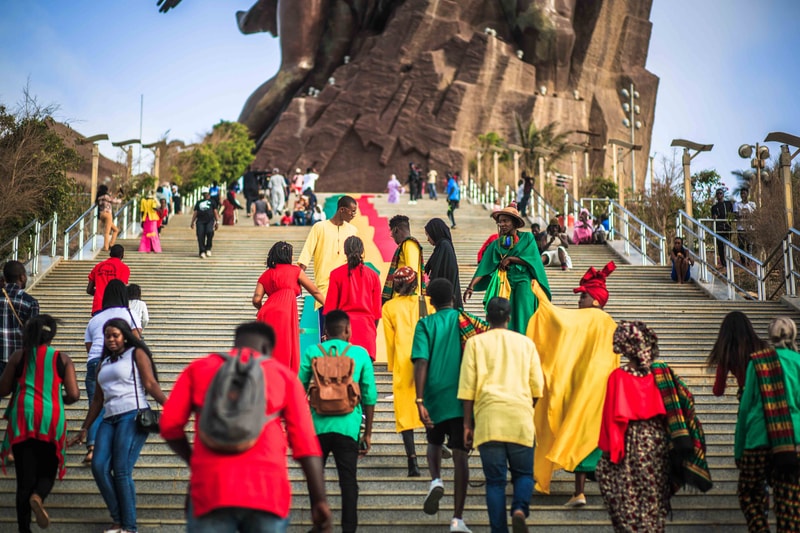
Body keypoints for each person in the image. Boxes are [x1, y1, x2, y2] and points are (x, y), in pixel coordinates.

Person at [160, 321, 332, 533]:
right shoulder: (282, 376)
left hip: (210, 489)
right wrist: (319, 501)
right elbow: (306, 444)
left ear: (236, 343)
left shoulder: (199, 369)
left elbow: (169, 425)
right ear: (268, 349)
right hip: (267, 492)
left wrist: (194, 462)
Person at [596, 321, 711, 532]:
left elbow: (612, 419)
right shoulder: (659, 375)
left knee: (625, 494)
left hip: (629, 443)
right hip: (657, 444)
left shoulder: (618, 377)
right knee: (653, 497)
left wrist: (610, 452)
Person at [525, 264, 618, 504]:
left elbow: (559, 320)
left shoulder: (588, 318)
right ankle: (581, 491)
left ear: (596, 300)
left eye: (584, 296)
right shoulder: (610, 323)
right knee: (586, 435)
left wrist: (541, 299)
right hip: (602, 388)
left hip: (584, 386)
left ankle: (579, 492)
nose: (580, 301)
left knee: (574, 431)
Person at [69, 318, 167, 533]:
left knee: (121, 470)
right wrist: (85, 428)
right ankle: (118, 519)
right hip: (109, 418)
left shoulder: (136, 354)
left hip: (132, 415)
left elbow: (150, 384)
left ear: (124, 336)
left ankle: (128, 527)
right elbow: (97, 400)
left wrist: (171, 406)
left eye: (115, 335)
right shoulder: (103, 363)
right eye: (107, 336)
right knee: (99, 467)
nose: (111, 339)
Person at [458, 297, 544, 533]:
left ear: (487, 318)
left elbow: (467, 387)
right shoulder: (525, 344)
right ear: (509, 317)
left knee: (495, 482)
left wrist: (467, 424)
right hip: (520, 417)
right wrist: (527, 408)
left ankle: (499, 530)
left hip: (488, 419)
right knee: (524, 474)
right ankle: (519, 509)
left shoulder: (476, 344)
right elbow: (538, 387)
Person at [299, 310, 377, 533]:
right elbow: (370, 395)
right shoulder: (360, 354)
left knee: (316, 479)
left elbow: (298, 388)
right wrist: (367, 433)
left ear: (326, 331)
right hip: (348, 428)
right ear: (347, 330)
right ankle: (348, 529)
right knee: (348, 481)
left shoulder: (313, 351)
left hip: (317, 428)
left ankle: (320, 524)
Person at [0, 315, 80, 533]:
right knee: (48, 469)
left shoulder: (19, 356)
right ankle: (38, 496)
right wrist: (54, 398)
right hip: (50, 417)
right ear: (51, 335)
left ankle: (24, 530)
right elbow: (74, 394)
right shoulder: (62, 359)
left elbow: (3, 390)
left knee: (24, 479)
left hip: (22, 417)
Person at [412, 278, 472, 533]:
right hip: (462, 397)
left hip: (435, 394)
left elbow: (421, 362)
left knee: (434, 443)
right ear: (453, 297)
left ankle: (436, 479)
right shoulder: (466, 321)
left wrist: (420, 399)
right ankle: (457, 518)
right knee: (460, 455)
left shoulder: (425, 324)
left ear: (431, 300)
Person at [735, 316, 800, 532]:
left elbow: (745, 408)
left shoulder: (757, 362)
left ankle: (760, 528)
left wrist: (739, 449)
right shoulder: (798, 362)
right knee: (789, 501)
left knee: (749, 492)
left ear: (770, 336)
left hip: (758, 440)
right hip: (794, 441)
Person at [464, 204, 551, 334]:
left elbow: (534, 260)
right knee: (505, 318)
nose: (502, 224)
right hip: (505, 284)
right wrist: (470, 286)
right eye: (500, 222)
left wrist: (511, 259)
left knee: (524, 314)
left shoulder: (527, 238)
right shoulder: (496, 244)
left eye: (505, 221)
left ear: (515, 223)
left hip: (524, 283)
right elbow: (484, 266)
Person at [83, 279, 142, 465]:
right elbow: (137, 339)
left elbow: (89, 346)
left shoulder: (95, 318)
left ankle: (92, 448)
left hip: (94, 362)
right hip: (116, 364)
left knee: (95, 404)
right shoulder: (128, 313)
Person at [382, 267, 429, 477]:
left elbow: (390, 342)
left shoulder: (389, 307)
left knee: (404, 413)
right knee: (428, 407)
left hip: (403, 363)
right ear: (415, 283)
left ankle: (413, 462)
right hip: (425, 362)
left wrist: (393, 365)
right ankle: (435, 446)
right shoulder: (426, 303)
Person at [253, 241, 325, 373]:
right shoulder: (296, 271)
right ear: (287, 256)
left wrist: (261, 309)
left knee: (269, 348)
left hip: (267, 312)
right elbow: (314, 291)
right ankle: (285, 379)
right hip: (285, 313)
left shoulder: (266, 274)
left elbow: (257, 298)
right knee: (285, 347)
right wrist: (328, 305)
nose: (293, 258)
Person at [298, 195, 359, 330]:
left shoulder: (353, 230)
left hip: (346, 291)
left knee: (344, 338)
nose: (354, 215)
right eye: (352, 211)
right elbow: (306, 255)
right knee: (326, 336)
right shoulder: (319, 227)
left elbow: (357, 260)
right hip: (324, 292)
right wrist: (296, 281)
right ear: (342, 209)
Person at [324, 236, 382, 360]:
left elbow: (330, 310)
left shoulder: (336, 274)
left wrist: (327, 334)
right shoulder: (373, 276)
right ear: (362, 251)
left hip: (342, 334)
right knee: (363, 378)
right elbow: (377, 313)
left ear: (345, 252)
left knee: (342, 378)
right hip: (367, 332)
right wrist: (371, 332)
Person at [706, 311, 766, 398]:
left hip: (748, 397)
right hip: (768, 394)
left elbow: (718, 391)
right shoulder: (762, 347)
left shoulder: (727, 354)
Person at [1, 261, 40, 376]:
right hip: (19, 358)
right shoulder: (30, 302)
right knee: (20, 392)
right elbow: (33, 335)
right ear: (22, 277)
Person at [383, 215, 424, 303]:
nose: (392, 236)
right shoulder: (407, 245)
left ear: (395, 230)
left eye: (392, 233)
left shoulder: (409, 244)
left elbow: (411, 273)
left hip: (406, 300)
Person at [423, 218, 463, 309]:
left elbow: (439, 272)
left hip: (446, 300)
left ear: (435, 233)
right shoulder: (442, 246)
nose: (428, 239)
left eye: (428, 235)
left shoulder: (444, 246)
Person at [87, 244, 130, 316]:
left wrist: (99, 293)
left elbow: (89, 290)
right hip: (116, 307)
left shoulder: (98, 266)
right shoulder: (124, 268)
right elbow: (121, 289)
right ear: (122, 255)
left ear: (110, 254)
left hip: (98, 306)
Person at [191, 187, 220, 259]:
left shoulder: (212, 202)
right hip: (200, 221)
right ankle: (202, 251)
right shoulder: (199, 202)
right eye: (204, 194)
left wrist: (217, 221)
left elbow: (215, 212)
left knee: (210, 232)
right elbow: (195, 212)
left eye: (206, 194)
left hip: (210, 220)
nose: (205, 195)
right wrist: (192, 222)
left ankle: (208, 248)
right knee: (200, 235)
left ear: (209, 194)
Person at [711, 187, 734, 268]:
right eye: (717, 194)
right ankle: (723, 262)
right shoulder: (714, 207)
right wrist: (715, 216)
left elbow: (732, 214)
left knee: (728, 245)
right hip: (719, 228)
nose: (719, 195)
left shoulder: (728, 204)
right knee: (720, 246)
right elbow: (713, 216)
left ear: (723, 194)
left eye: (720, 193)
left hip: (727, 227)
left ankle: (729, 261)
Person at [734, 188, 756, 262]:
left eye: (744, 193)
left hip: (750, 228)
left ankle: (750, 261)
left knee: (750, 245)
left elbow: (754, 215)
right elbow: (736, 215)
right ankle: (743, 262)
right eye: (741, 193)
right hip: (740, 228)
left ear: (747, 194)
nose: (742, 195)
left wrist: (744, 215)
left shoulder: (752, 204)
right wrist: (744, 215)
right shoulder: (737, 204)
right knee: (741, 246)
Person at [96, 185, 120, 251]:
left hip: (101, 215)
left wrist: (112, 196)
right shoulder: (106, 196)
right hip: (108, 214)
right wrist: (120, 200)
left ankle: (111, 244)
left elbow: (110, 199)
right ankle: (106, 247)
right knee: (107, 232)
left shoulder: (99, 197)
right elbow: (114, 201)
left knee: (116, 230)